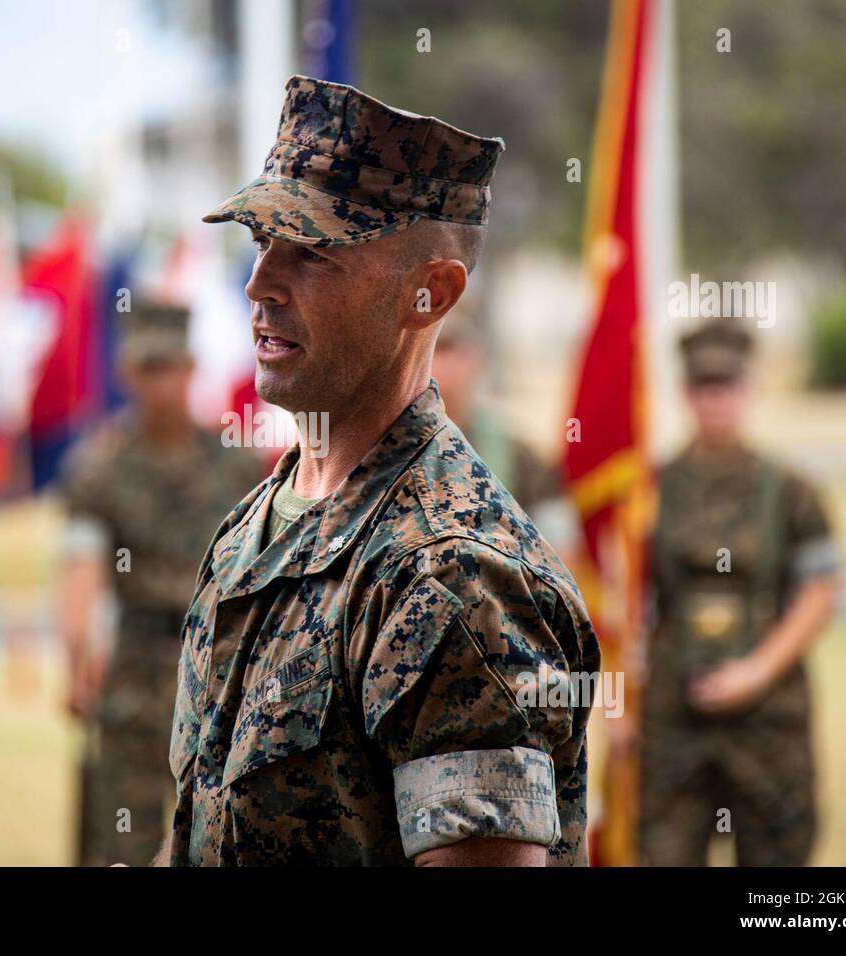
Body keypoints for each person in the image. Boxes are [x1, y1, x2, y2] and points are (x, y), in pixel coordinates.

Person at [161, 75, 599, 866]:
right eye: (262, 243)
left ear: (430, 293)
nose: (260, 284)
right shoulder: (251, 530)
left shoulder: (451, 574)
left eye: (314, 255)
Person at [59, 302, 265, 867]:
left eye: (169, 367)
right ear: (127, 373)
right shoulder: (98, 470)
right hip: (134, 667)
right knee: (121, 835)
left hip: (217, 670)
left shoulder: (236, 467)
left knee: (219, 833)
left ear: (191, 367)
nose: (160, 384)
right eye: (148, 370)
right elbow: (82, 570)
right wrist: (77, 661)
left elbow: (255, 574)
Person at [639, 317, 841, 866]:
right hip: (675, 720)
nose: (715, 400)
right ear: (686, 393)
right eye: (703, 387)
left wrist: (758, 671)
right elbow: (627, 596)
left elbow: (820, 589)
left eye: (726, 386)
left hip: (768, 719)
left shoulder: (791, 490)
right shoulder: (650, 488)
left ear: (750, 389)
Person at [430, 304, 580, 564]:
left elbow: (559, 555)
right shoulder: (377, 448)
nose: (439, 366)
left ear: (476, 358)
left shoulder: (520, 458)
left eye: (447, 349)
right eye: (430, 351)